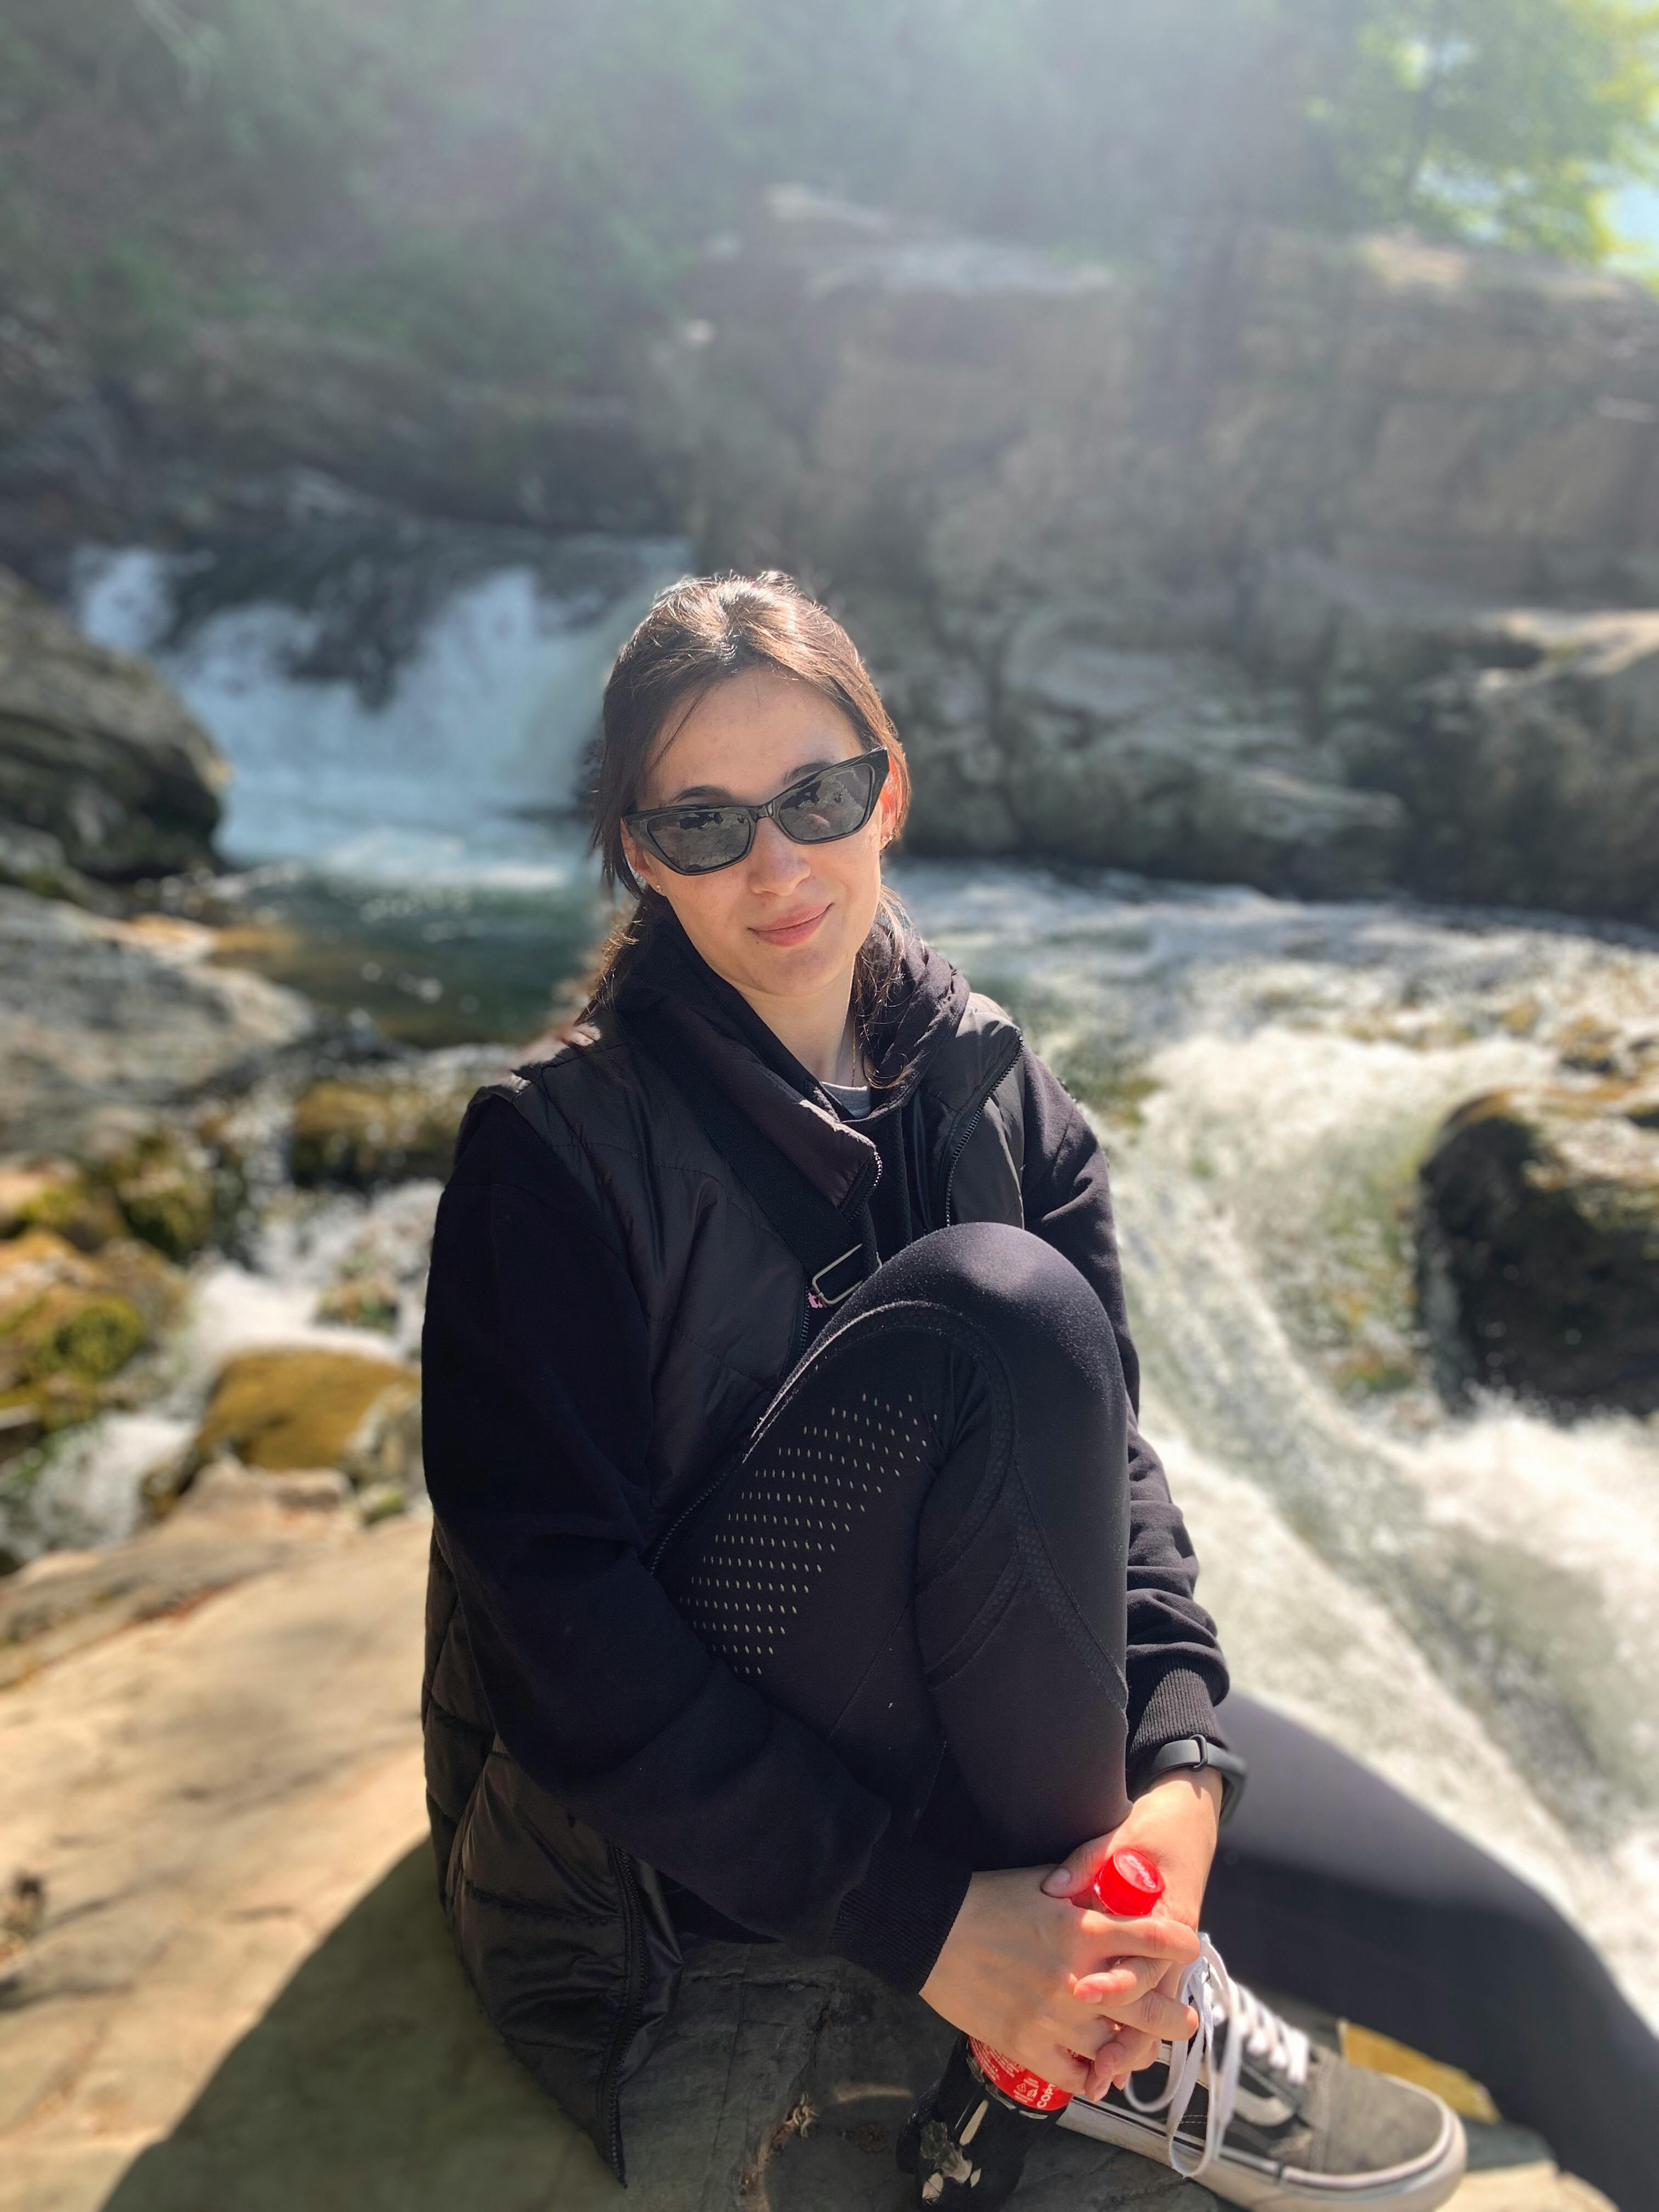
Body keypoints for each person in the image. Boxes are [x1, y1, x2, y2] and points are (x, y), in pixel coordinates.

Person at [420, 574, 1658, 2211]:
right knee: (994, 1308)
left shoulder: (993, 1085)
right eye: (705, 826)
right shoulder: (550, 1159)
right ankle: (1106, 2043)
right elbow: (565, 1639)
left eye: (816, 798)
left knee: (1527, 1965)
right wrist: (937, 1929)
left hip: (1004, 1715)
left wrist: (1181, 1777)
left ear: (890, 794)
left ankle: (1114, 1983)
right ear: (640, 854)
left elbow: (1112, 1471)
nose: (777, 866)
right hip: (682, 1848)